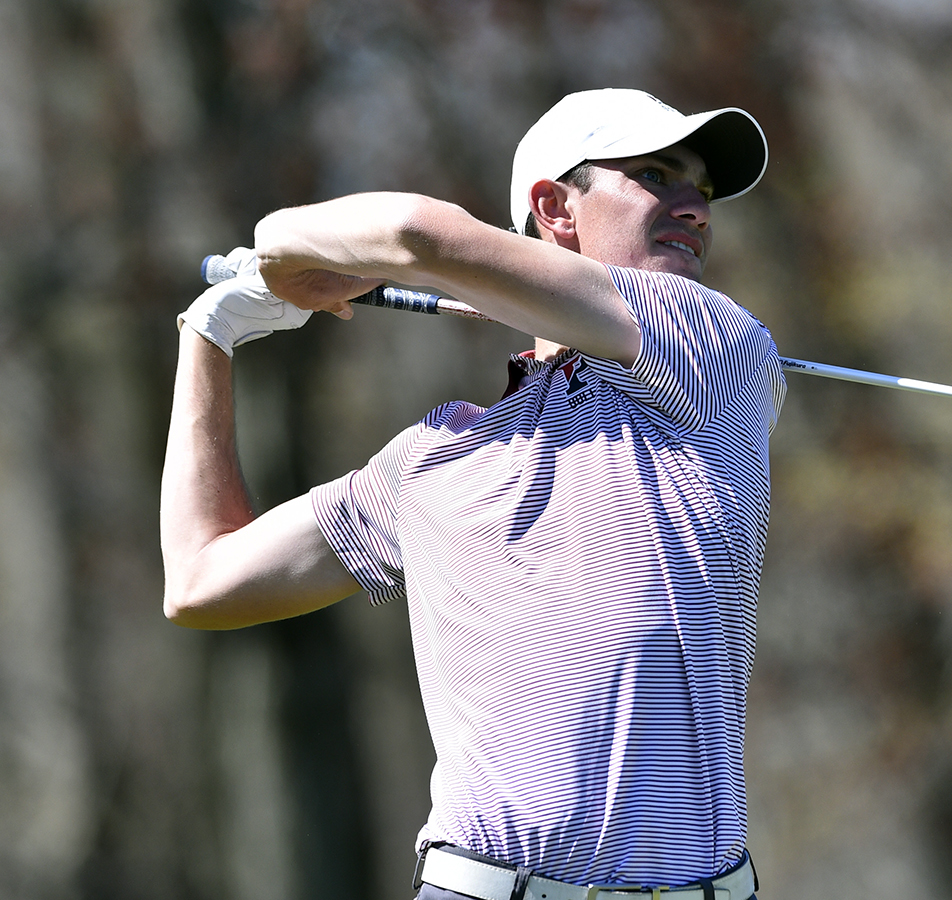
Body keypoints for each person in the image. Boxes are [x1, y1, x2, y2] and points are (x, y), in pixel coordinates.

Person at [160, 88, 783, 900]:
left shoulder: (714, 347)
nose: (694, 208)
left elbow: (415, 236)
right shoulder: (431, 460)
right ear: (555, 207)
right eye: (657, 176)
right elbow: (201, 580)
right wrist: (209, 336)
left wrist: (280, 242)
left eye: (701, 190)